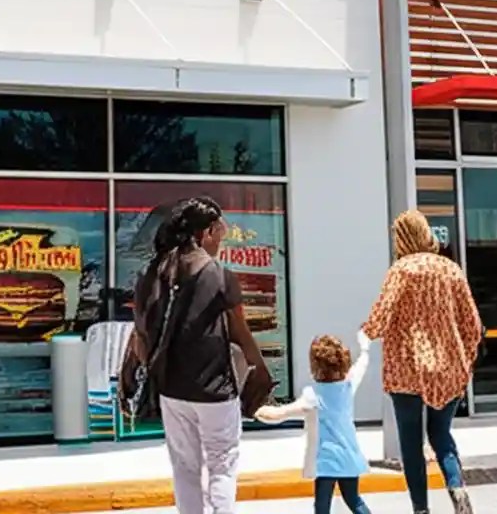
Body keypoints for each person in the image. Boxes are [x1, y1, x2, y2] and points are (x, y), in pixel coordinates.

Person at [132, 196, 271, 514]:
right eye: (220, 234)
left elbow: (140, 331)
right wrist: (260, 370)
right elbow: (240, 332)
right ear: (207, 233)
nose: (220, 242)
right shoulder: (219, 275)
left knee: (184, 468)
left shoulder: (154, 271)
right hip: (214, 390)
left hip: (171, 390)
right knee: (222, 465)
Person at [361, 210, 482, 514]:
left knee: (411, 442)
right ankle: (457, 488)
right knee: (441, 434)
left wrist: (365, 333)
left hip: (407, 368)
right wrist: (465, 359)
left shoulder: (401, 270)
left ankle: (420, 508)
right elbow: (472, 324)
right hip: (448, 367)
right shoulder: (451, 269)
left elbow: (380, 318)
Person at [255, 334, 373, 514]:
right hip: (348, 457)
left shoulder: (312, 395)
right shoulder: (347, 386)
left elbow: (278, 414)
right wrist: (364, 347)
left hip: (325, 462)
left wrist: (254, 409)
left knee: (321, 507)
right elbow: (361, 365)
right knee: (354, 500)